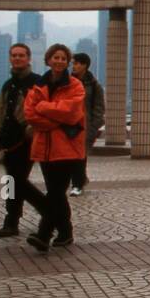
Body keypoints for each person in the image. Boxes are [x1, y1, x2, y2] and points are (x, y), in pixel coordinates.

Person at [23, 43, 86, 252]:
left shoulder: (75, 86)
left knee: (56, 192)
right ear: (48, 60)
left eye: (63, 58)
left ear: (68, 62)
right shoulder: (38, 86)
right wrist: (56, 119)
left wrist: (44, 108)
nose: (59, 61)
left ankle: (44, 234)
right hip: (45, 148)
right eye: (55, 57)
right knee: (55, 192)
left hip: (67, 148)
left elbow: (72, 112)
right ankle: (66, 232)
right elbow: (30, 114)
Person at [0, 43, 49, 238]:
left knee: (18, 181)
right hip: (8, 139)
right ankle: (13, 219)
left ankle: (43, 212)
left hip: (26, 140)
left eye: (21, 55)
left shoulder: (37, 82)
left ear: (29, 58)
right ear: (10, 58)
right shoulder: (8, 84)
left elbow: (42, 109)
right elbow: (0, 111)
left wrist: (30, 130)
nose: (17, 58)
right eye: (14, 55)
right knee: (10, 180)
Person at [67, 52, 105, 196]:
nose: (74, 66)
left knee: (80, 156)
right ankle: (80, 179)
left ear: (85, 65)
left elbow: (99, 108)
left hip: (86, 126)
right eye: (73, 63)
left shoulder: (94, 85)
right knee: (69, 156)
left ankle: (77, 184)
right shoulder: (67, 82)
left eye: (77, 63)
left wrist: (93, 127)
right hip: (69, 125)